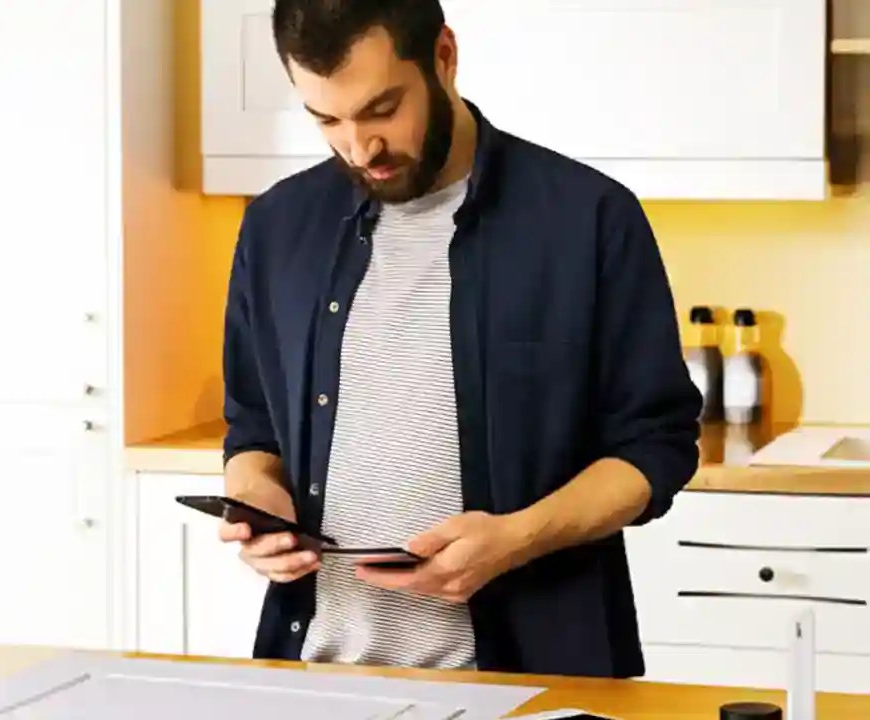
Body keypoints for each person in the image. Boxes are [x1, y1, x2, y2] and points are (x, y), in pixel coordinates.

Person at [216, 0, 702, 679]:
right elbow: (252, 427)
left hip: (531, 681)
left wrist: (518, 538)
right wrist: (257, 497)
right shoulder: (274, 228)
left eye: (383, 109)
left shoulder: (588, 217)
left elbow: (656, 447)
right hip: (319, 677)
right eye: (327, 119)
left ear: (444, 55)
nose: (359, 147)